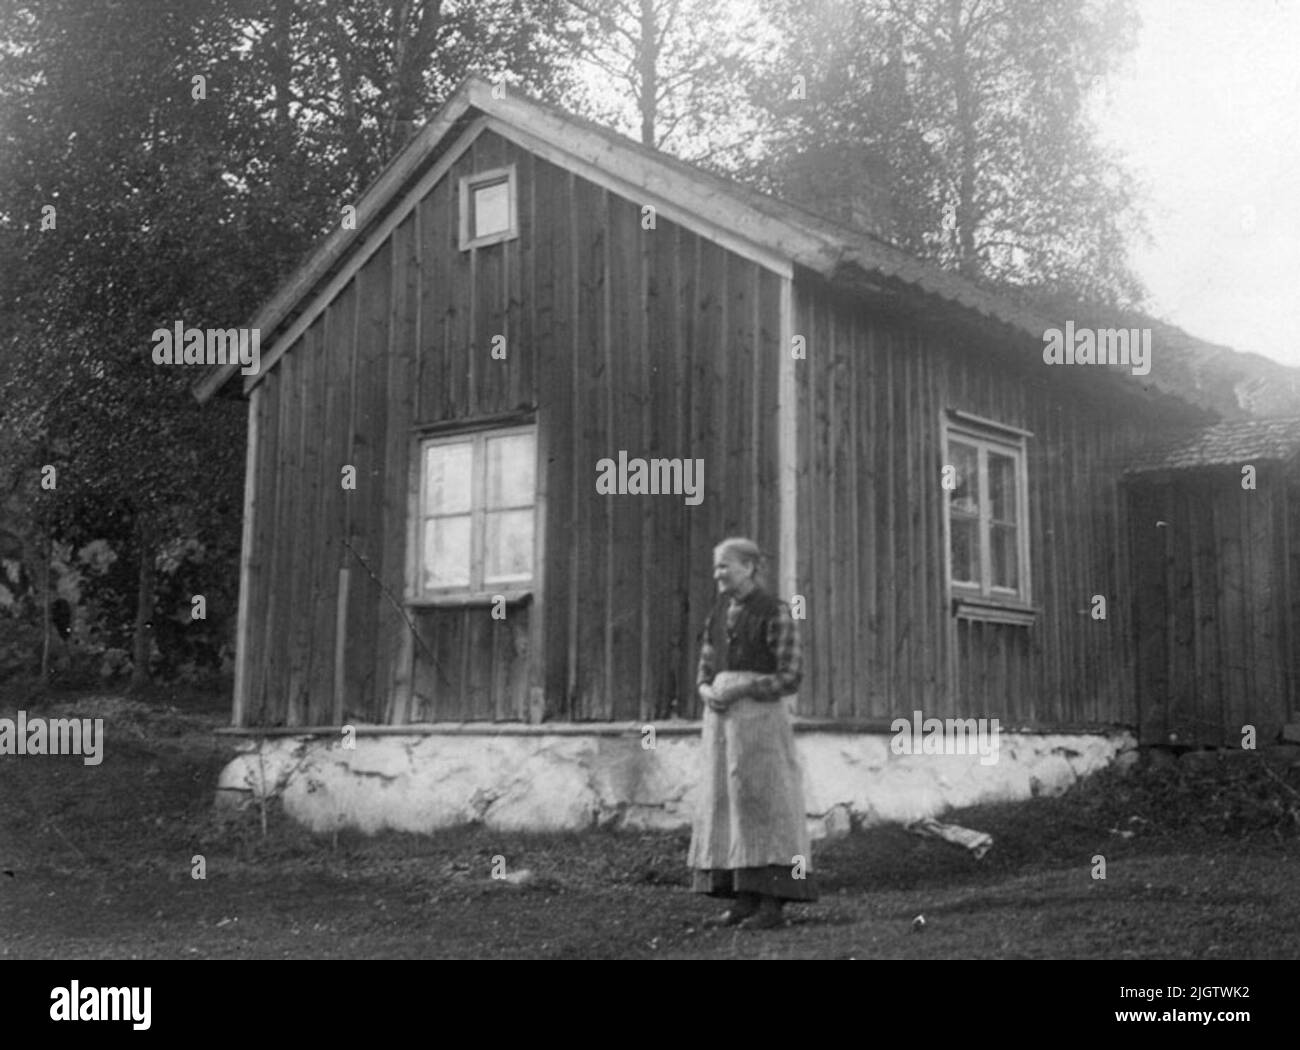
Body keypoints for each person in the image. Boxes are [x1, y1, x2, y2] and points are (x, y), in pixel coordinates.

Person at [687, 536, 817, 929]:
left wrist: (744, 688)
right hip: (723, 726)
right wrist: (709, 692)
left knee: (766, 803)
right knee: (729, 804)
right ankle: (743, 899)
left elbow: (791, 677)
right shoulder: (718, 614)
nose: (718, 574)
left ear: (749, 567)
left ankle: (772, 904)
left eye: (724, 566)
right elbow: (704, 672)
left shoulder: (775, 612)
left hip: (761, 724)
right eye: (715, 567)